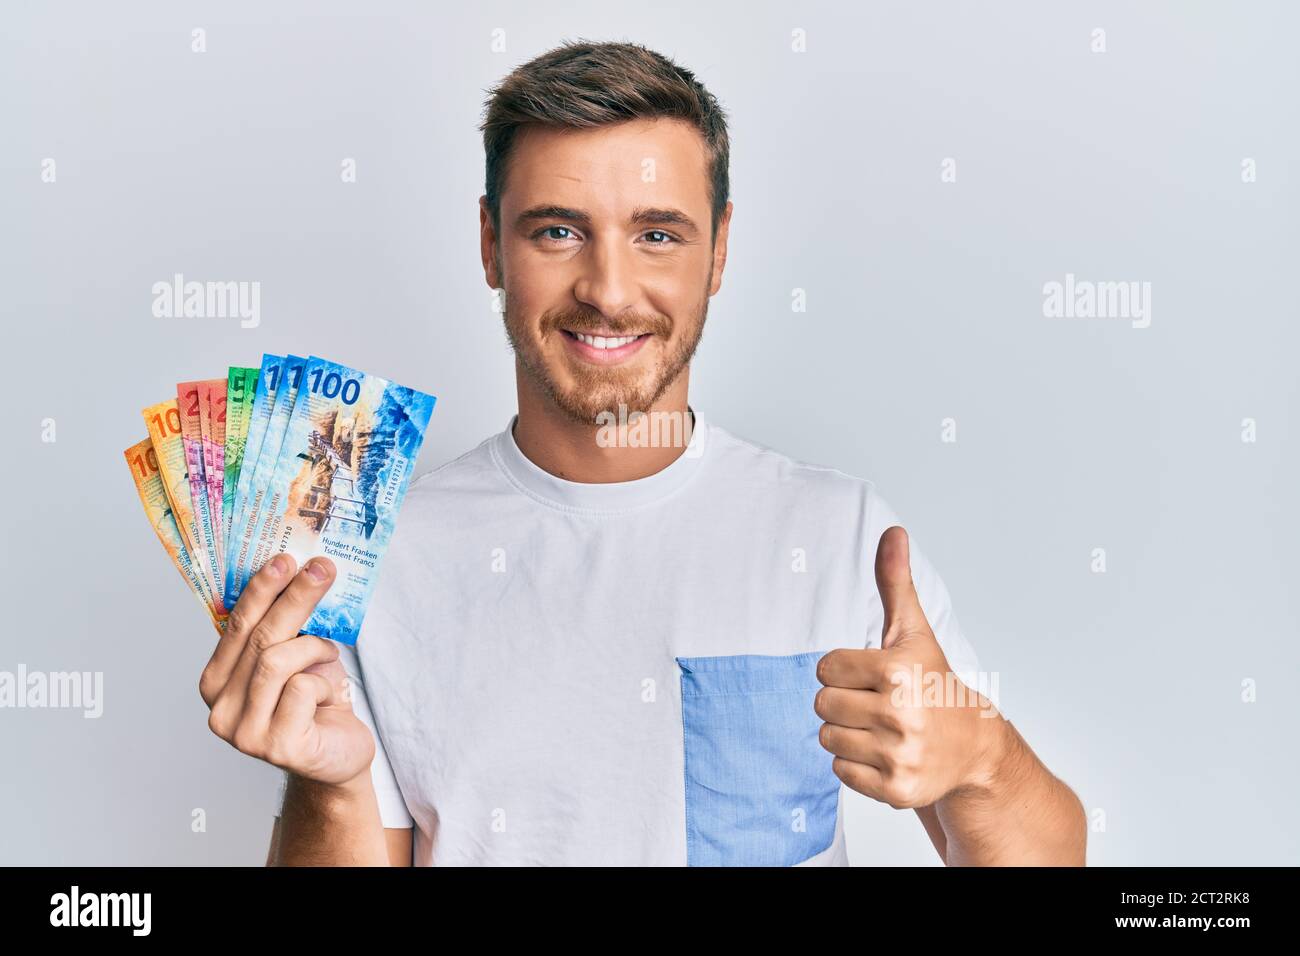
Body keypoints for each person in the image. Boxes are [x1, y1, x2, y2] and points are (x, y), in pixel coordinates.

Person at [199, 40, 1086, 866]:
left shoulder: (845, 537)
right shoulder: (370, 560)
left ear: (721, 249)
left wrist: (983, 757)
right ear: (489, 246)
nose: (608, 290)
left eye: (657, 234)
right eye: (557, 231)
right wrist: (330, 782)